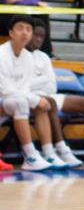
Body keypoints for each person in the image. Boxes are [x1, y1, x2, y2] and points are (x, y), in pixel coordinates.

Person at [22, 19, 84, 167]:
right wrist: (42, 80)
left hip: (48, 95)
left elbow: (52, 86)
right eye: (35, 35)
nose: (38, 39)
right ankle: (61, 150)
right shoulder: (19, 55)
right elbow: (23, 85)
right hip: (29, 97)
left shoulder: (44, 56)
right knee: (49, 102)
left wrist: (36, 81)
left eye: (41, 36)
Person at [0, 17, 63, 171]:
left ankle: (49, 153)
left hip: (10, 101)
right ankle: (30, 156)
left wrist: (34, 100)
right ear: (11, 33)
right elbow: (4, 88)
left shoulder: (28, 57)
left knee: (37, 104)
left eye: (28, 29)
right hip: (4, 98)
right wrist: (34, 99)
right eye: (20, 28)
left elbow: (25, 88)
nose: (24, 32)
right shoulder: (1, 53)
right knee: (25, 102)